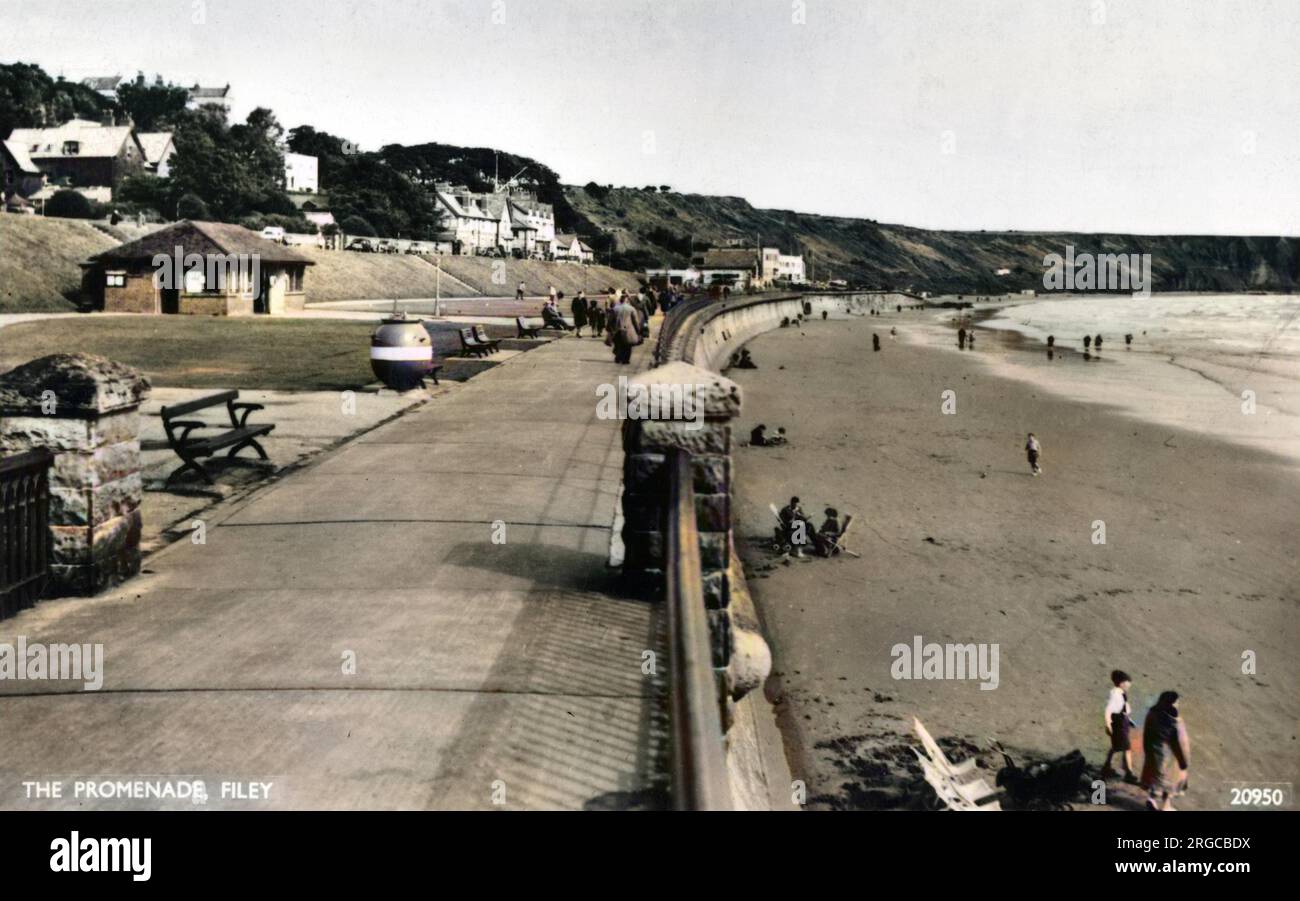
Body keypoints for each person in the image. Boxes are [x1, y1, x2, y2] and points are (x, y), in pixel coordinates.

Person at [1141, 691, 1191, 811]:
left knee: (1156, 777)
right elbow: (1177, 742)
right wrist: (1183, 761)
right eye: (1177, 702)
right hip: (1170, 755)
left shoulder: (1153, 712)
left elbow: (1147, 734)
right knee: (1171, 780)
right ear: (1172, 703)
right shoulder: (1173, 720)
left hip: (1153, 750)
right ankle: (1165, 806)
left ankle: (1152, 798)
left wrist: (1147, 749)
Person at [1102, 670, 1139, 783]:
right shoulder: (1116, 694)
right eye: (1128, 683)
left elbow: (1123, 710)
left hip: (1122, 722)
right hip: (1118, 724)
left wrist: (1129, 720)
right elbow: (1108, 710)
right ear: (1122, 682)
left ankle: (1106, 767)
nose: (1129, 685)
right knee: (1126, 748)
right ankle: (1129, 773)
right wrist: (1108, 724)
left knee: (1116, 747)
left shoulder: (1119, 693)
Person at [609, 293, 643, 365]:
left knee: (618, 344)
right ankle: (626, 360)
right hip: (628, 330)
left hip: (617, 330)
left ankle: (618, 358)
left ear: (620, 301)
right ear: (627, 301)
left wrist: (610, 329)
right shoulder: (631, 309)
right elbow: (635, 321)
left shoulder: (615, 308)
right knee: (627, 346)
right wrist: (638, 330)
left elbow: (610, 320)